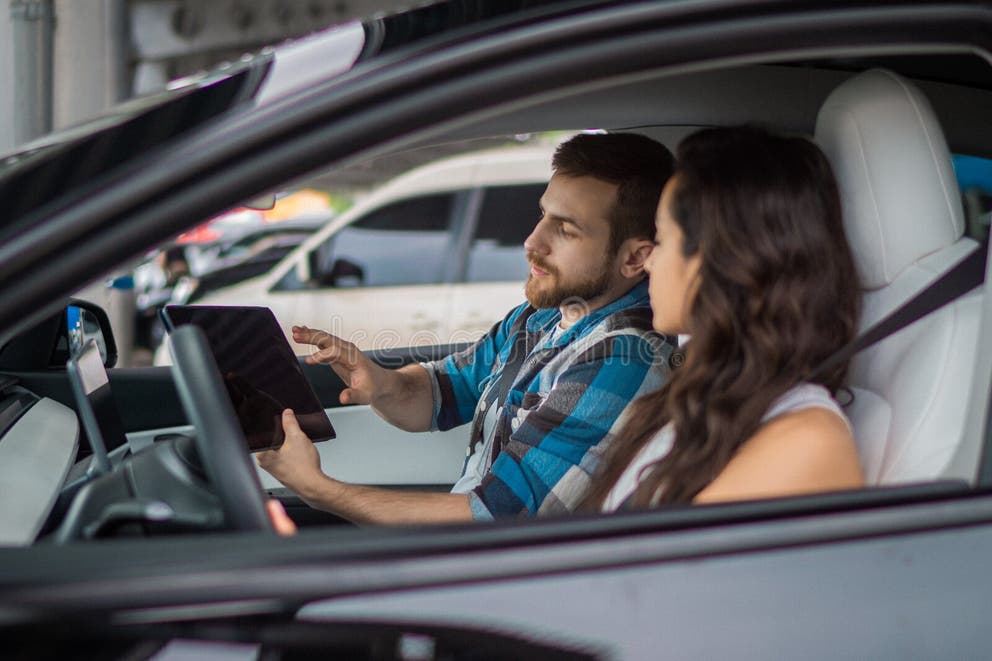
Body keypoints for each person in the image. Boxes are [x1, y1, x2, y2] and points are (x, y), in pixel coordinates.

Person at [258, 132, 676, 524]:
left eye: (565, 230)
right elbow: (443, 394)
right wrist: (381, 383)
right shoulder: (539, 319)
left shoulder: (624, 360)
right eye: (543, 215)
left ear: (635, 259)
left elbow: (495, 518)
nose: (532, 241)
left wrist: (320, 490)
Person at [583, 126, 865, 512]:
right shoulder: (702, 400)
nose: (648, 262)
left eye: (662, 240)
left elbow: (655, 570)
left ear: (719, 262)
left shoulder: (805, 439)